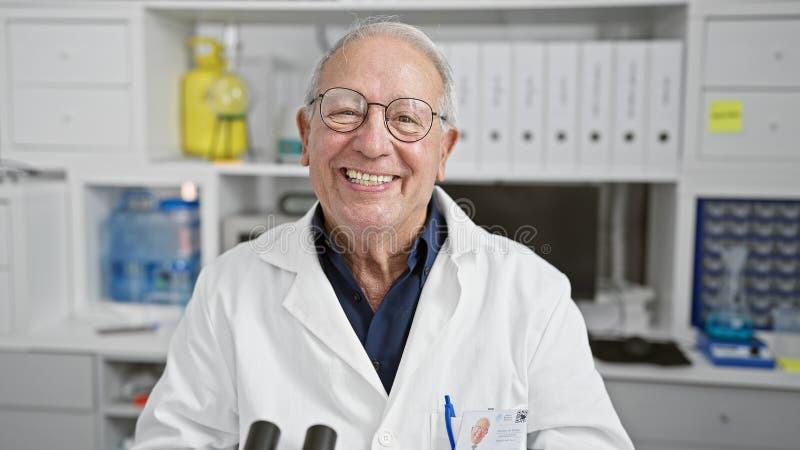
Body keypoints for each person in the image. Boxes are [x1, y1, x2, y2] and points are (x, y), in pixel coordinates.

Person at [133, 19, 633, 450]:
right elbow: (174, 438)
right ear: (307, 136)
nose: (373, 144)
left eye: (406, 119)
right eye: (346, 111)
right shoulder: (228, 287)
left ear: (444, 151)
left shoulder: (534, 295)